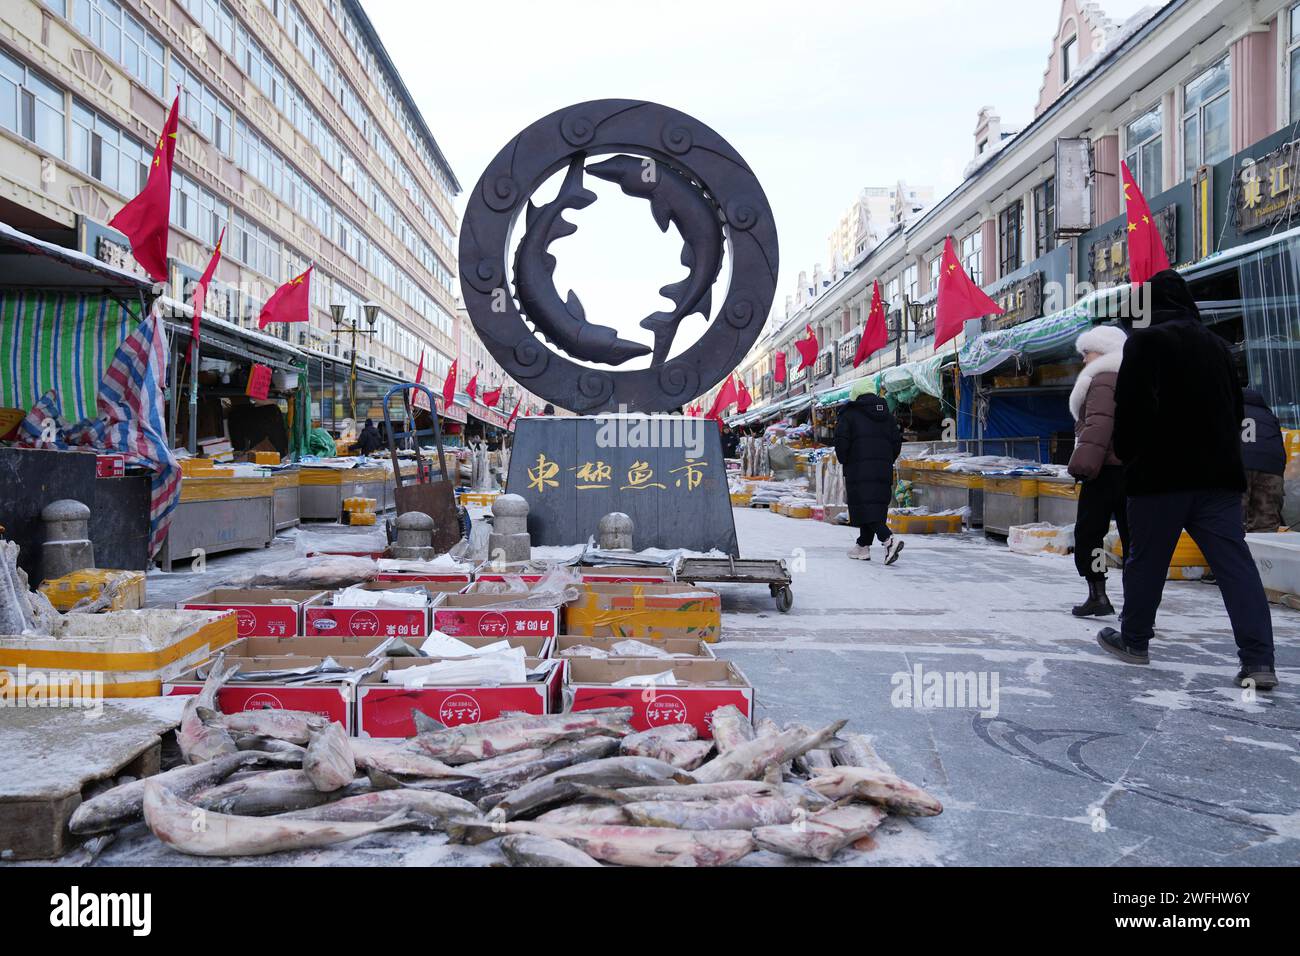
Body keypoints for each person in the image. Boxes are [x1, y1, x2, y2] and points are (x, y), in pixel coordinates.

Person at [1100, 269, 1277, 690]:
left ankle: (1135, 640)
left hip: (1161, 477)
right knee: (1236, 567)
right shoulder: (1218, 347)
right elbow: (1235, 410)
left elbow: (1131, 412)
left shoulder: (1144, 343)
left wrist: (1127, 452)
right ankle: (1258, 661)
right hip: (1217, 478)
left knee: (1147, 561)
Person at [1066, 324, 1129, 617]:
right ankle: (1138, 602)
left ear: (1102, 351)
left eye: (1086, 352)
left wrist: (1082, 465)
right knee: (1135, 538)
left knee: (1090, 534)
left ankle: (1098, 593)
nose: (1083, 360)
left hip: (1105, 471)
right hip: (1133, 470)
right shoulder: (1132, 376)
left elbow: (1100, 425)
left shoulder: (1103, 379)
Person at [833, 379, 903, 565]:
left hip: (858, 469)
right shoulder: (887, 415)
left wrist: (846, 461)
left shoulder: (849, 413)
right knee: (874, 506)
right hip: (883, 469)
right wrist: (886, 460)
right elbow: (896, 443)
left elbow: (842, 443)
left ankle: (888, 540)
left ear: (856, 393)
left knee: (864, 506)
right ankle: (862, 546)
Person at [1240, 386, 1286, 532]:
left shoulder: (1228, 410)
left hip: (1238, 466)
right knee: (1266, 522)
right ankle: (1264, 553)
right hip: (1270, 467)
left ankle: (1235, 553)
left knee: (1232, 519)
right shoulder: (1269, 415)